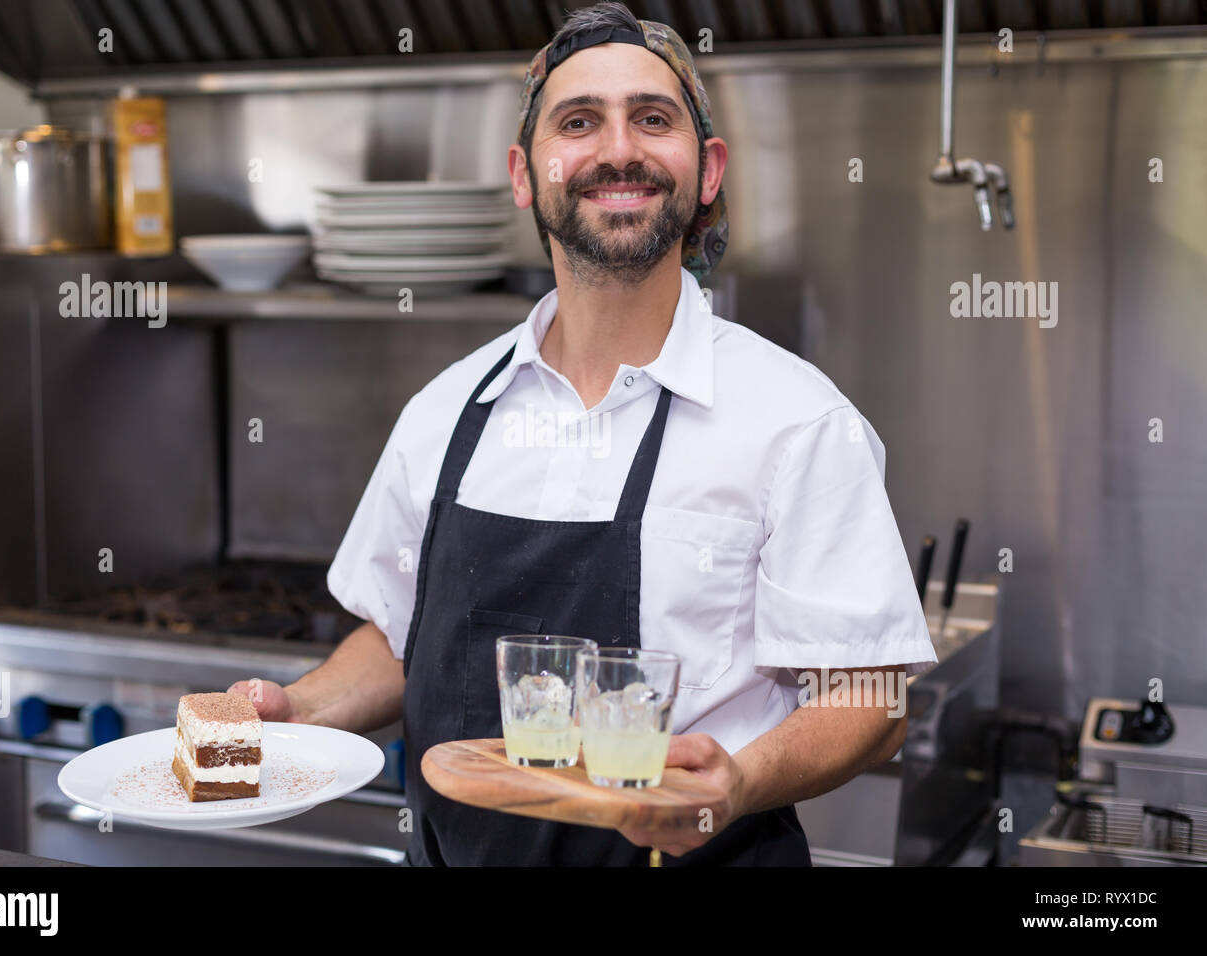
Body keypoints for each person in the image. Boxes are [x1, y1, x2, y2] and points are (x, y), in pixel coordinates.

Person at [230, 1, 937, 866]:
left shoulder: (796, 421)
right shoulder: (447, 411)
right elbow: (400, 632)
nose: (618, 150)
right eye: (578, 122)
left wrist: (740, 782)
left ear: (707, 169)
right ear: (526, 175)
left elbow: (870, 700)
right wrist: (299, 711)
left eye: (652, 118)